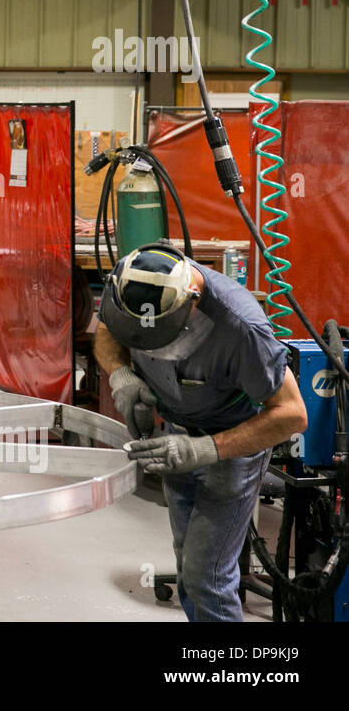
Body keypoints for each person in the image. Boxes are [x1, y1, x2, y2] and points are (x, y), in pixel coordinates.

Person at [93, 242, 307, 621]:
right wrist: (122, 377)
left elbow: (291, 414)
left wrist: (205, 449)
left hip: (232, 443)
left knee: (205, 575)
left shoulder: (241, 327)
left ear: (190, 302)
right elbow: (110, 328)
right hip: (175, 434)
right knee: (186, 561)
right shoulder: (131, 279)